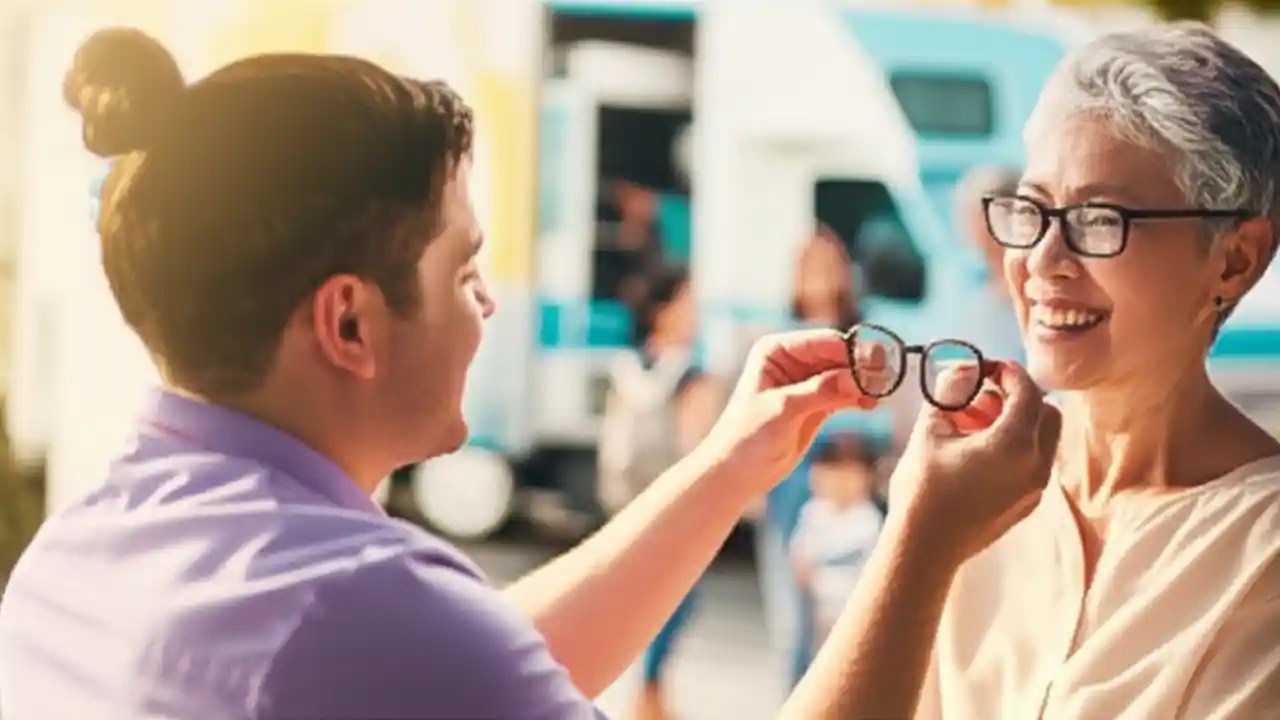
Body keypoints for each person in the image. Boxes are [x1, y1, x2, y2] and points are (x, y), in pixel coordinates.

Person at [0, 27, 1068, 720]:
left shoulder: (78, 554)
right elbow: (445, 657)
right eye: (463, 266)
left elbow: (489, 662)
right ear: (348, 321)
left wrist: (731, 461)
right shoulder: (349, 611)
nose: (487, 301)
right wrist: (922, 541)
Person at [912, 23, 1280, 718]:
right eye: (1033, 209)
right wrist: (916, 540)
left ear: (1234, 259)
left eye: (1099, 218)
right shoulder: (972, 494)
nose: (1043, 261)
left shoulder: (1261, 552)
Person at [753, 226, 895, 687]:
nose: (818, 279)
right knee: (794, 616)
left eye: (828, 267)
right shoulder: (779, 342)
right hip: (793, 483)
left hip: (856, 482)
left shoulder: (869, 336)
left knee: (854, 615)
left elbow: (886, 414)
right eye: (808, 270)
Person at [596, 265, 720, 720]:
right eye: (688, 301)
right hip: (675, 509)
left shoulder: (627, 367)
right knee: (675, 603)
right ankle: (647, 698)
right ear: (663, 311)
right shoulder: (690, 375)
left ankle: (651, 698)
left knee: (645, 604)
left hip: (629, 501)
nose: (696, 312)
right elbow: (700, 449)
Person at [789, 433, 886, 651]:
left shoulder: (868, 519)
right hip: (819, 601)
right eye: (833, 472)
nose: (841, 481)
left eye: (850, 474)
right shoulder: (814, 512)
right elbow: (800, 553)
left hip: (853, 603)